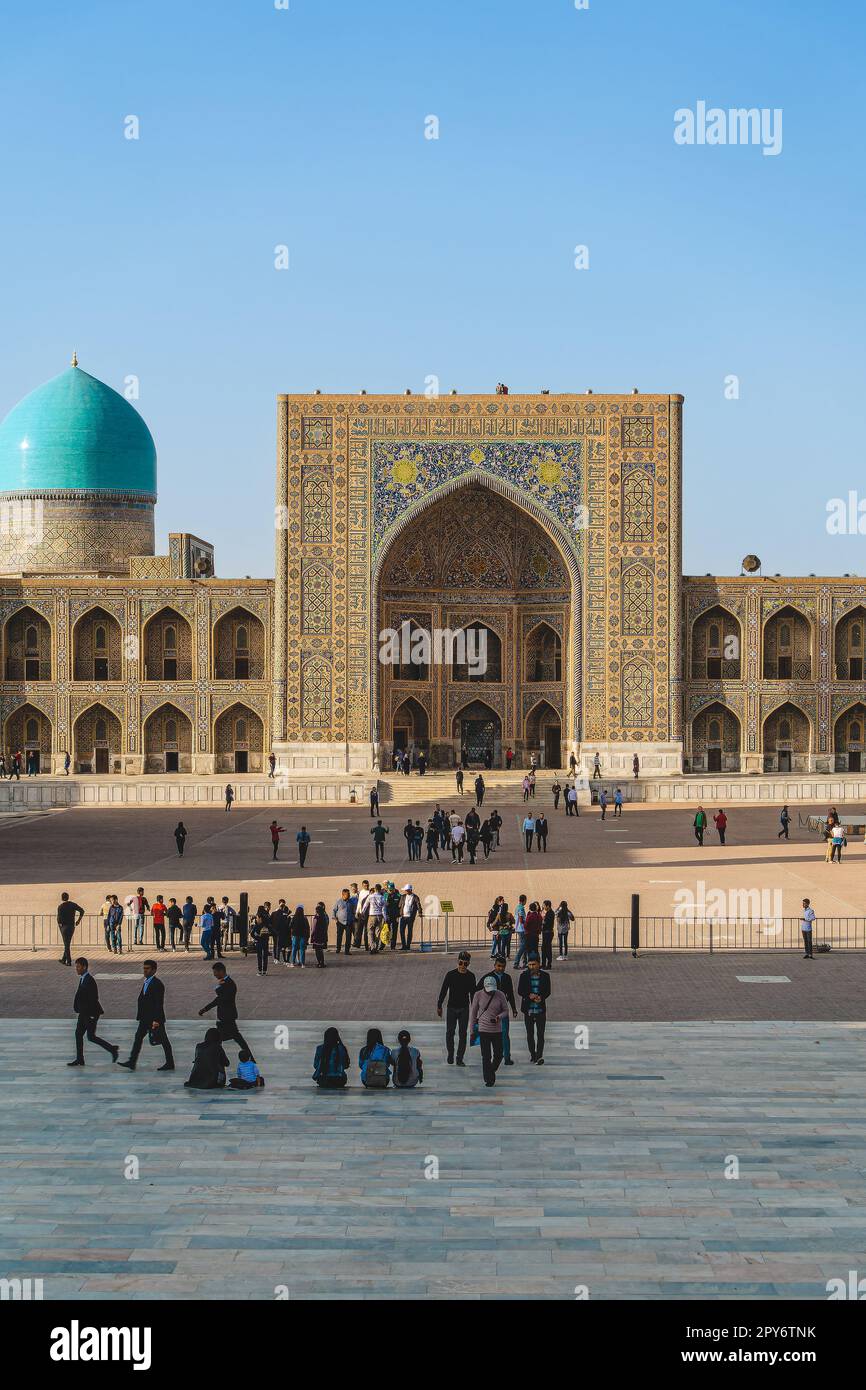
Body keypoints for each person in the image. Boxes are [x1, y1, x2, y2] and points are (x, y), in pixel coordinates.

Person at [117, 960, 174, 1071]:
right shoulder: (147, 981)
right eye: (144, 968)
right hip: (145, 1018)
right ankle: (132, 1061)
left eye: (147, 968)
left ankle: (170, 1062)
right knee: (138, 1037)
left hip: (154, 1018)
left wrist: (156, 1020)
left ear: (154, 970)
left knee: (164, 1041)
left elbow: (158, 1003)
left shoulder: (157, 984)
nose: (145, 970)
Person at [197, 962, 255, 1061]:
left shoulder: (230, 984)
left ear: (221, 971)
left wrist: (206, 1008)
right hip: (224, 1016)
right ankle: (248, 1058)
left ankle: (214, 1058)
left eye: (215, 972)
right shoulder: (224, 982)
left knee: (224, 1038)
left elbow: (220, 999)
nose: (214, 975)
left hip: (227, 1016)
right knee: (231, 1038)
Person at [68, 958, 118, 1067]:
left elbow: (93, 998)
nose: (76, 969)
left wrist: (90, 1015)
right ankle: (80, 1059)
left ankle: (112, 1049)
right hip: (83, 1013)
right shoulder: (83, 979)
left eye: (78, 967)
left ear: (84, 967)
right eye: (76, 967)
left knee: (91, 1036)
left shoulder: (89, 980)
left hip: (90, 1014)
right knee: (78, 1034)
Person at [437, 951, 478, 1065]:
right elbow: (444, 990)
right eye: (461, 963)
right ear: (457, 962)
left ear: (469, 964)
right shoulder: (450, 975)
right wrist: (439, 1005)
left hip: (464, 1008)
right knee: (450, 1032)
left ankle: (459, 1058)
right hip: (451, 1007)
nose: (463, 966)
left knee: (463, 1034)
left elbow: (473, 994)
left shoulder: (471, 976)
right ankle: (450, 1053)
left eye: (465, 964)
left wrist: (474, 1011)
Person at [469, 976, 509, 1087]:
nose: (491, 991)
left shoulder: (500, 995)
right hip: (483, 1029)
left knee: (499, 1054)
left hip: (497, 1030)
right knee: (486, 1056)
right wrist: (472, 1030)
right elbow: (473, 1013)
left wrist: (499, 1017)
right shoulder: (478, 995)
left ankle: (490, 1070)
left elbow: (506, 1011)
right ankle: (489, 1079)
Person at [518, 951, 551, 1064]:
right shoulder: (524, 976)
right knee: (530, 1034)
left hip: (540, 1009)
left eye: (534, 964)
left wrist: (541, 997)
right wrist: (529, 995)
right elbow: (520, 990)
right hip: (528, 1009)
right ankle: (533, 1054)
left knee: (540, 1034)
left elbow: (548, 991)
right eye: (530, 964)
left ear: (539, 964)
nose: (532, 967)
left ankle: (539, 1055)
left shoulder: (546, 976)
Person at [487, 955, 518, 1065]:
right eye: (499, 966)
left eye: (503, 967)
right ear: (494, 965)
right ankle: (491, 1056)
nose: (500, 968)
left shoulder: (507, 977)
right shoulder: (488, 977)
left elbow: (511, 993)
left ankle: (507, 1057)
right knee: (490, 1035)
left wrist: (514, 1008)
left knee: (505, 1034)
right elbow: (478, 991)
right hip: (491, 1012)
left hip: (503, 1011)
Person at [57, 892, 84, 967]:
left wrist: (60, 926)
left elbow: (58, 919)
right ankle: (63, 959)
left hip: (64, 927)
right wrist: (78, 920)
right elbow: (82, 911)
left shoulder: (60, 907)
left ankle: (68, 961)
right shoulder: (73, 904)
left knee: (66, 944)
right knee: (67, 943)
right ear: (68, 897)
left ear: (62, 898)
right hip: (72, 926)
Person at [398, 883, 422, 951]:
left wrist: (420, 912)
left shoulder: (415, 897)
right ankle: (403, 945)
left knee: (409, 931)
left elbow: (418, 905)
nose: (405, 891)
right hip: (403, 916)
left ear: (410, 890)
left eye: (406, 890)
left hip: (410, 917)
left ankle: (408, 945)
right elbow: (399, 906)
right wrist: (399, 914)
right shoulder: (403, 897)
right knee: (401, 931)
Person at [333, 888, 354, 955]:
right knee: (339, 936)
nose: (349, 895)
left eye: (349, 894)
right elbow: (334, 910)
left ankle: (347, 951)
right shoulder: (338, 902)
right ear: (343, 895)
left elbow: (353, 911)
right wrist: (336, 919)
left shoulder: (351, 902)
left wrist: (353, 919)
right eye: (348, 894)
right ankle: (338, 949)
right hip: (340, 922)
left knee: (348, 937)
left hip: (349, 922)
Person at [251, 907, 271, 975]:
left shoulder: (257, 926)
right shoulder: (267, 925)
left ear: (260, 918)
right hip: (265, 942)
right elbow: (273, 932)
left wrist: (257, 938)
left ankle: (260, 971)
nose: (256, 919)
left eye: (257, 918)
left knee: (259, 957)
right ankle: (265, 971)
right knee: (265, 957)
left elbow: (252, 934)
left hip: (259, 943)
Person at [311, 902, 329, 967]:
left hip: (317, 936)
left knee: (317, 950)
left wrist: (312, 935)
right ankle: (322, 963)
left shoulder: (316, 918)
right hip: (323, 936)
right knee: (321, 950)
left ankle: (319, 963)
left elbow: (313, 928)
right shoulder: (324, 917)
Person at [513, 895, 528, 968]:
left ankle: (525, 962)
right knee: (523, 946)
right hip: (522, 929)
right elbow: (521, 919)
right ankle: (516, 962)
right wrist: (526, 924)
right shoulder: (521, 908)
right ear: (524, 900)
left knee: (524, 946)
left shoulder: (517, 907)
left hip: (518, 928)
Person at [541, 900, 555, 968]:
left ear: (548, 906)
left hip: (548, 933)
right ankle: (544, 964)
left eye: (544, 905)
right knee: (544, 949)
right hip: (546, 932)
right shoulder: (549, 912)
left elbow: (546, 923)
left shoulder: (550, 913)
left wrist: (542, 921)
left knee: (547, 949)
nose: (543, 907)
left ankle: (548, 964)